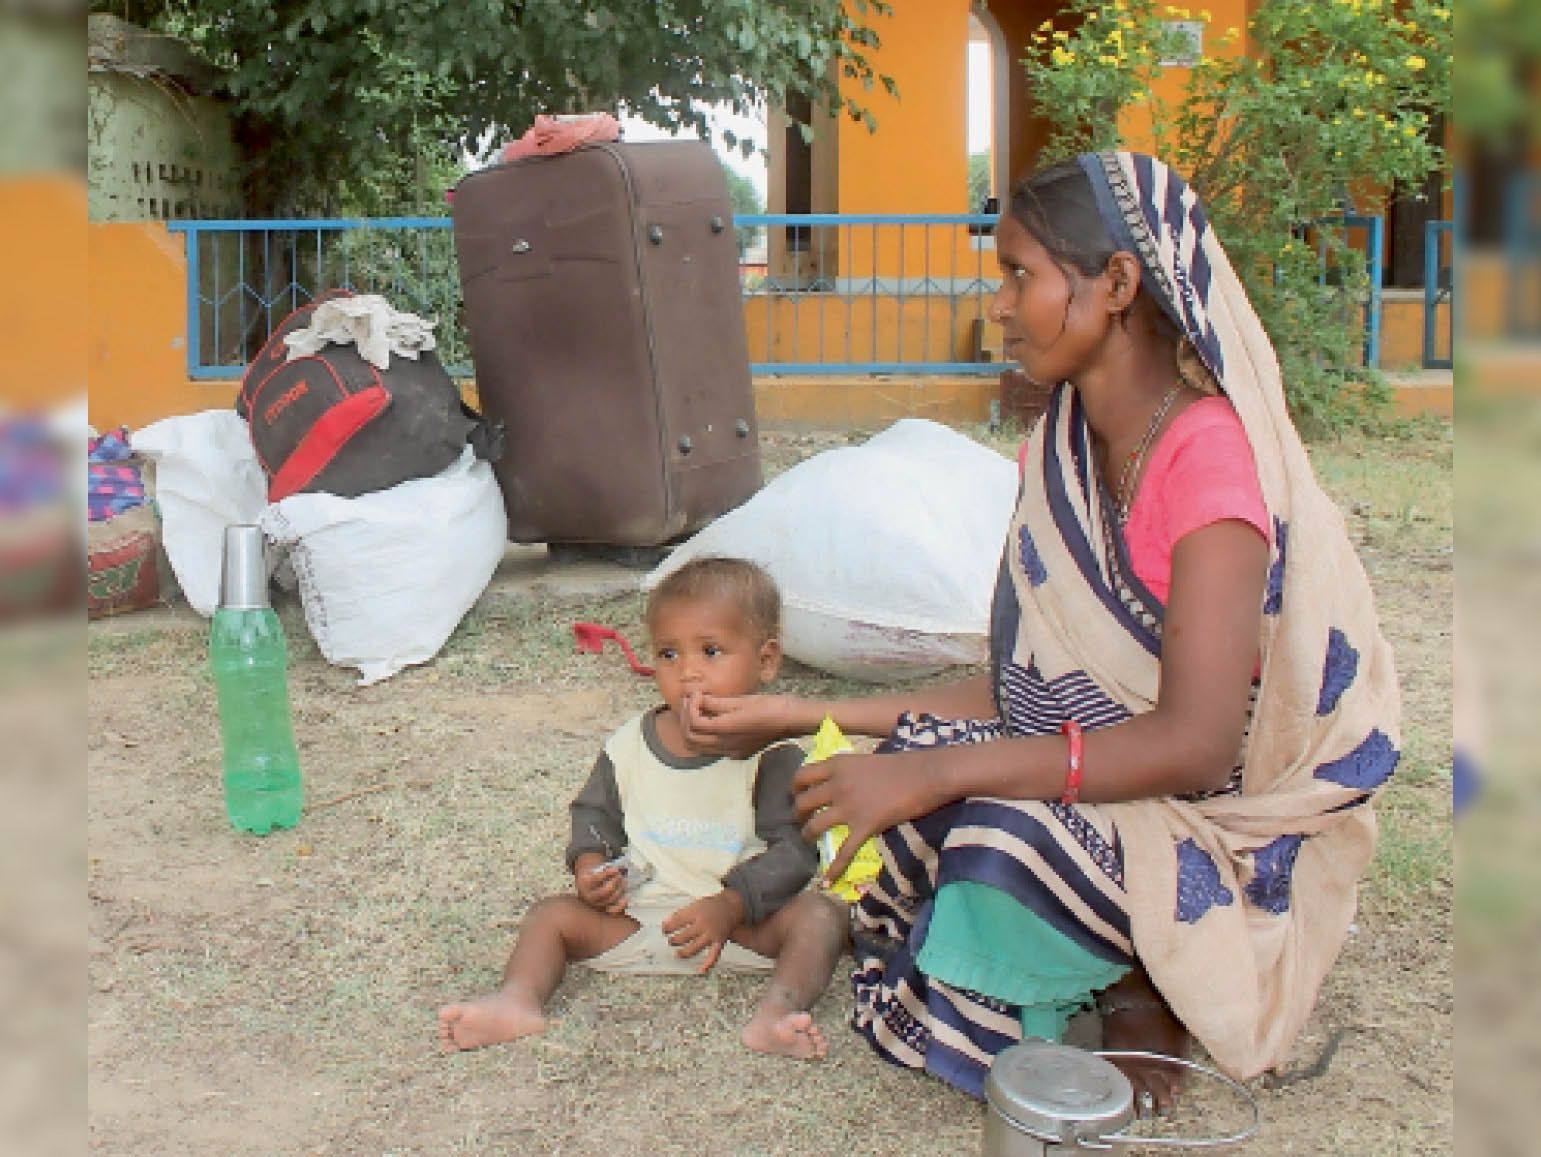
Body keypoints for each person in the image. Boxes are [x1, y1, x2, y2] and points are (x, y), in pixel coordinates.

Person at [680, 152, 1401, 1115]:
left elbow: (1193, 746)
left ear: (1114, 283)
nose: (1001, 304)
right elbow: (1025, 693)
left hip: (1214, 815)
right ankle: (1072, 962)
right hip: (1096, 775)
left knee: (979, 819)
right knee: (919, 761)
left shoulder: (1206, 465)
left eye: (1021, 273)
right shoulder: (1060, 452)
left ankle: (1149, 985)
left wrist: (935, 775)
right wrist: (808, 711)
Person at [436, 557, 840, 1060]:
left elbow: (795, 855)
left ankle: (778, 1012)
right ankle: (518, 999)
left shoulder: (775, 755)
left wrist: (730, 904)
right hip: (635, 918)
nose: (688, 671)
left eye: (711, 651)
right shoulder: (628, 745)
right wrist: (591, 868)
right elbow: (594, 818)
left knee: (820, 917)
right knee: (550, 916)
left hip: (738, 925)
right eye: (668, 654)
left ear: (766, 659)